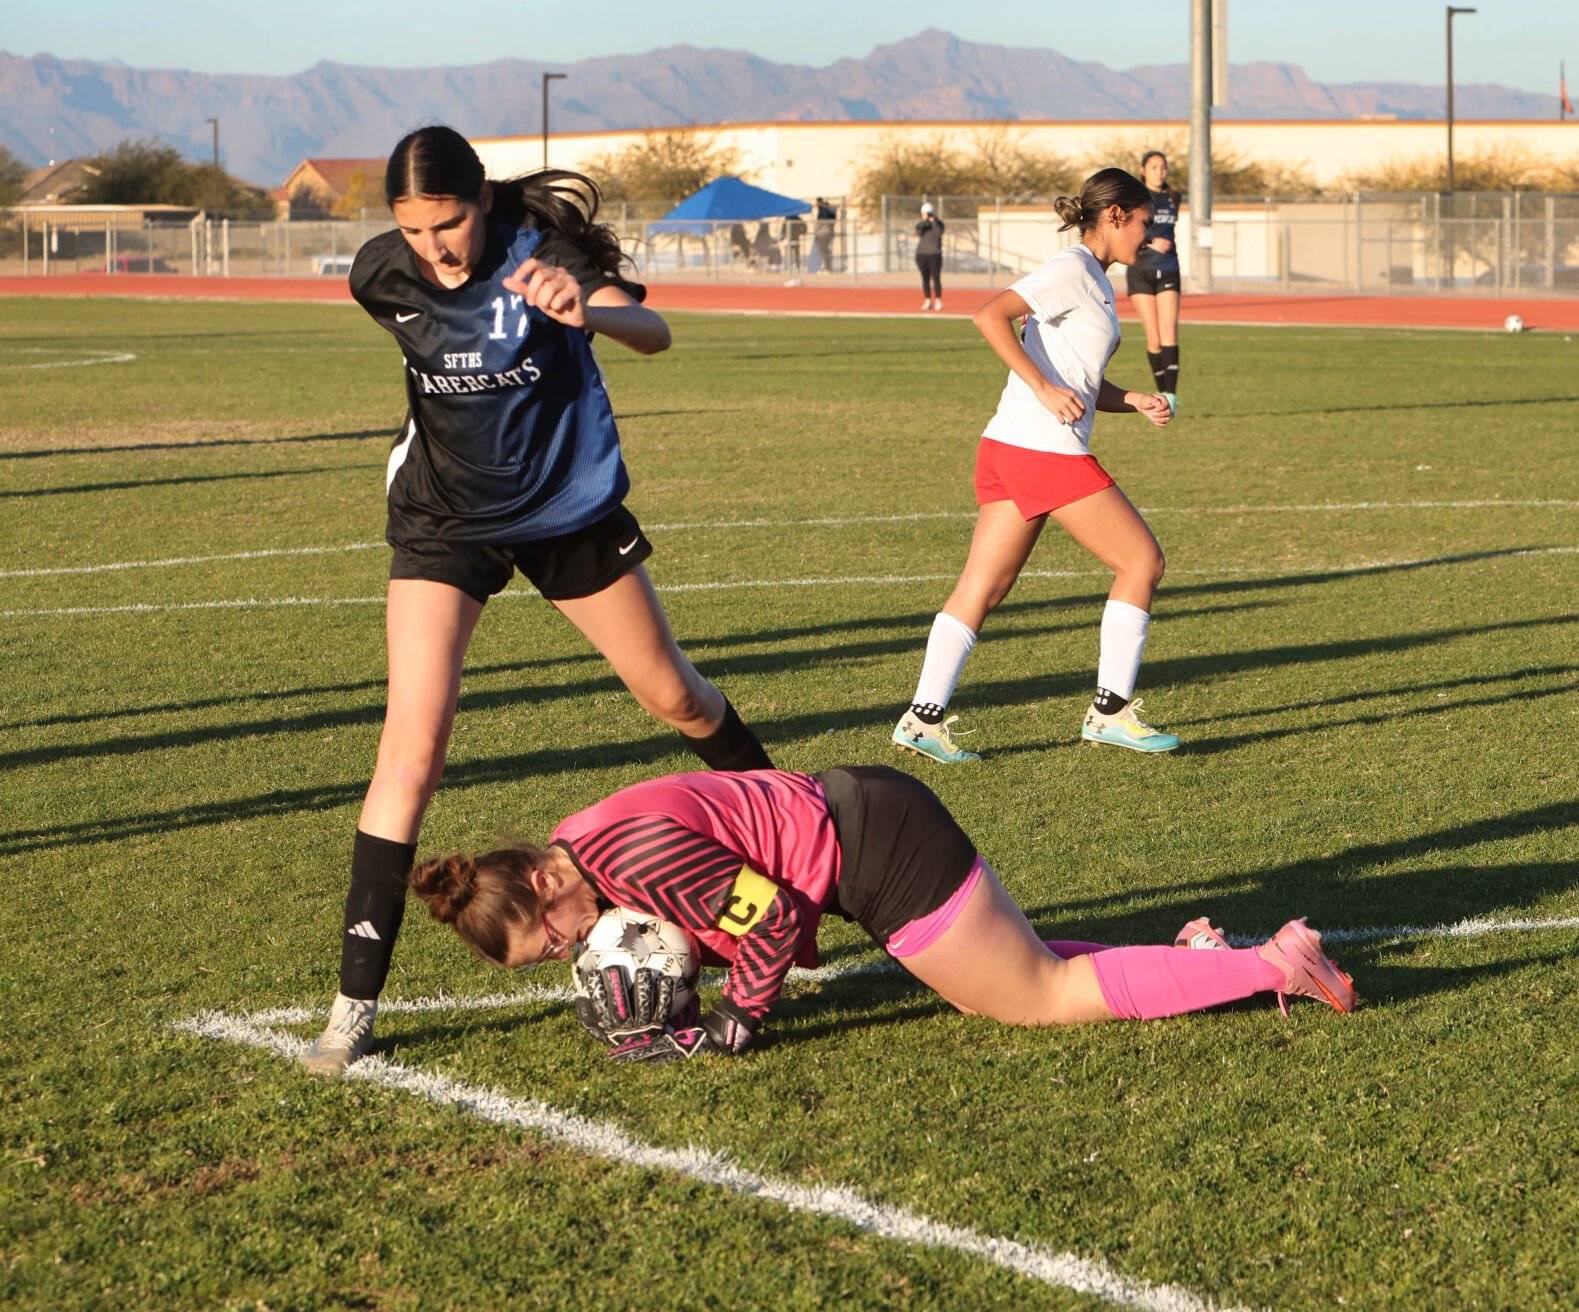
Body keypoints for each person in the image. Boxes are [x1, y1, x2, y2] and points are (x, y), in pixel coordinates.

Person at [301, 125, 773, 1076]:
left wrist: (587, 309)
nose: (435, 248)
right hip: (444, 525)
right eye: (414, 228)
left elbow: (654, 332)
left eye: (451, 224)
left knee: (674, 698)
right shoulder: (378, 277)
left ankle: (789, 851)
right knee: (410, 751)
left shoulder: (540, 255)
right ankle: (352, 1008)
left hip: (566, 514)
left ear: (483, 203)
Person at [407, 765, 1357, 1064]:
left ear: (541, 884)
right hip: (867, 827)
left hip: (878, 848)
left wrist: (729, 1024)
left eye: (553, 941)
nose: (572, 951)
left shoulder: (631, 859)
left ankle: (1273, 964)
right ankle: (1191, 953)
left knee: (1031, 998)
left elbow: (771, 919)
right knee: (1009, 973)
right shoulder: (582, 841)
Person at [891, 168, 1179, 764]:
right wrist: (1044, 389)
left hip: (1010, 446)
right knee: (1141, 561)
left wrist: (1131, 400)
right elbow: (989, 316)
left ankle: (921, 721)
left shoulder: (1095, 279)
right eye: (1145, 222)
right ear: (1116, 215)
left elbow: (1081, 378)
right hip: (1042, 449)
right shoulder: (1072, 269)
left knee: (984, 586)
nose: (1150, 236)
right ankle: (1110, 712)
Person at [1125, 150, 1182, 410]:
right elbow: (1128, 232)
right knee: (1153, 337)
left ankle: (1170, 396)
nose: (1160, 171)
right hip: (1141, 271)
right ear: (1143, 170)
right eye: (1154, 167)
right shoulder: (1136, 198)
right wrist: (1150, 242)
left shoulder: (1173, 197)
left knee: (1169, 330)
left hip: (1169, 269)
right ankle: (1160, 392)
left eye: (1163, 167)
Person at [915, 202, 944, 311]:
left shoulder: (939, 223)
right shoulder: (922, 224)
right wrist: (925, 222)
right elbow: (918, 231)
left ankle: (938, 300)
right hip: (922, 254)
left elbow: (938, 233)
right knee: (925, 278)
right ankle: (927, 300)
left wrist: (933, 222)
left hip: (934, 255)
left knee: (936, 278)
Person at [811, 197, 837, 273]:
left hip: (824, 232)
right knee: (825, 251)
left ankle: (827, 267)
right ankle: (826, 266)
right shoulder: (827, 210)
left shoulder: (824, 210)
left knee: (824, 250)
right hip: (826, 232)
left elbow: (822, 221)